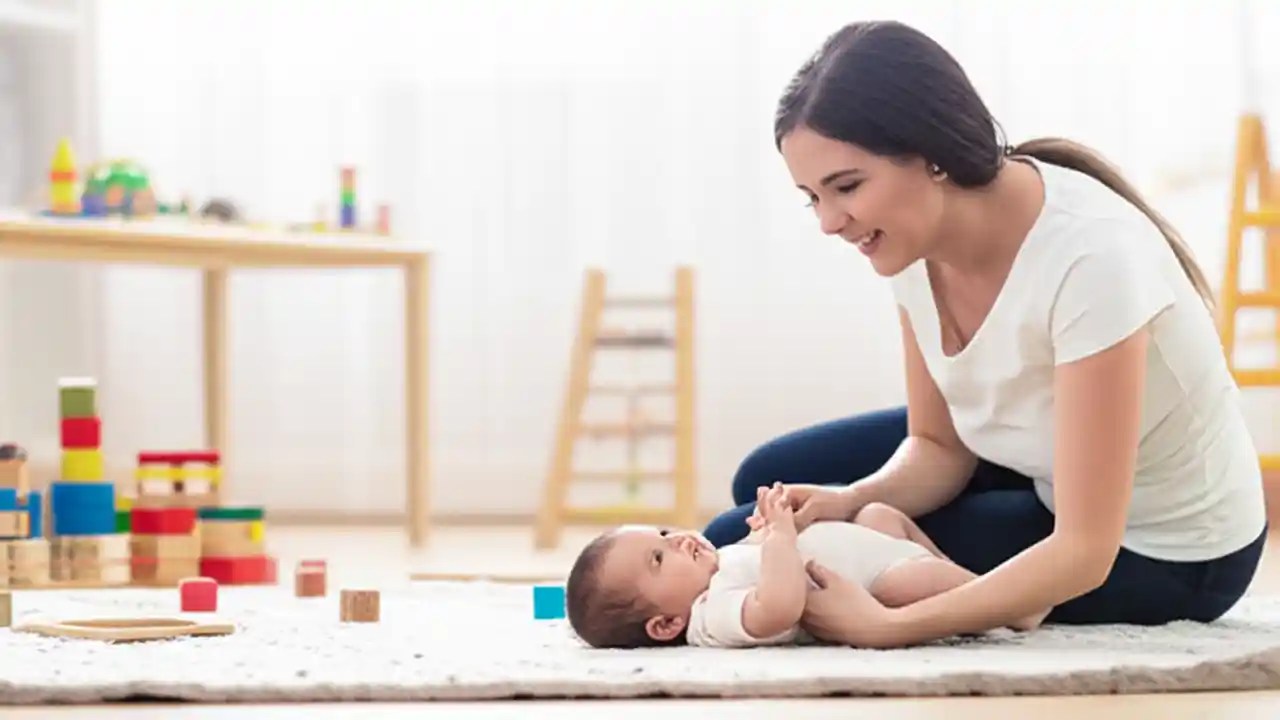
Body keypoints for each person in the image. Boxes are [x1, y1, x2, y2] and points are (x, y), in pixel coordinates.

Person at [700, 20, 1269, 649]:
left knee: (743, 545)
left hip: (1170, 551)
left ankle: (986, 593)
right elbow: (939, 446)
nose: (831, 223)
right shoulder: (912, 240)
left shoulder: (1091, 258)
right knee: (770, 481)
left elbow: (1083, 551)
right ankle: (897, 538)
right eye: (812, 197)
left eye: (847, 187)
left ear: (931, 153)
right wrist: (851, 499)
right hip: (1034, 460)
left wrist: (889, 625)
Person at [564, 483, 1050, 649]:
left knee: (882, 514)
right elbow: (777, 605)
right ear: (667, 624)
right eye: (659, 557)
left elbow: (764, 562)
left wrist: (766, 530)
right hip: (875, 579)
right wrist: (778, 539)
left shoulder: (720, 569)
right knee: (914, 581)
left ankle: (973, 584)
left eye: (665, 535)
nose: (679, 542)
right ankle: (1016, 605)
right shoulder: (711, 617)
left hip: (868, 543)